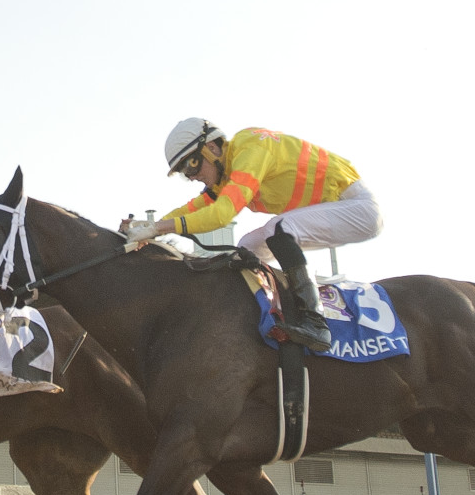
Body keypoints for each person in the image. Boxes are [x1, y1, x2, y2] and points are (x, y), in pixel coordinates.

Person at [122, 118, 383, 351]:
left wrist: (158, 229)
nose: (191, 177)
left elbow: (220, 214)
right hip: (332, 209)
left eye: (191, 166)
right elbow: (194, 208)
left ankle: (315, 322)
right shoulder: (227, 172)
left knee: (280, 230)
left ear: (212, 148)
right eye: (184, 173)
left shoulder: (250, 150)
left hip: (357, 207)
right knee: (247, 247)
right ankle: (280, 312)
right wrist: (148, 227)